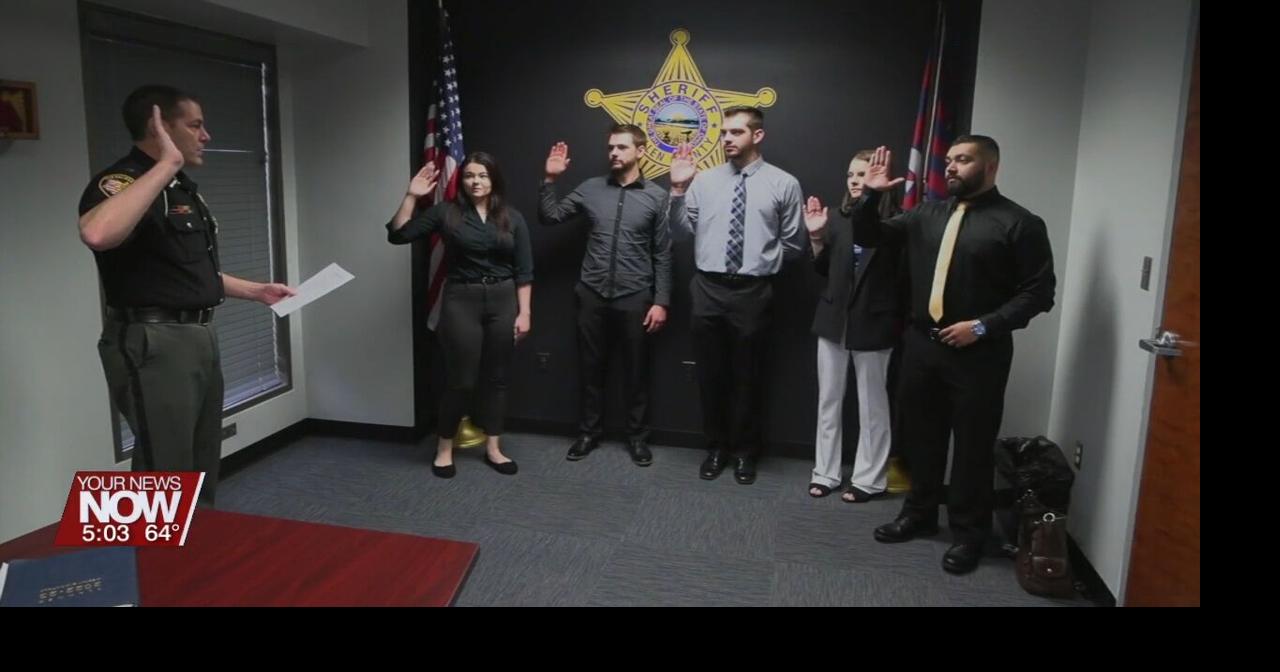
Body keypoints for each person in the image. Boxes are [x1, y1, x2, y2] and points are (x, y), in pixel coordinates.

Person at [78, 84, 295, 505]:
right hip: (153, 341)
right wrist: (166, 163)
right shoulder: (122, 181)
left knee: (199, 462)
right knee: (165, 468)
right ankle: (152, 564)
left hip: (197, 337)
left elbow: (186, 272)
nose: (206, 135)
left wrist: (255, 291)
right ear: (159, 126)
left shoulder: (180, 190)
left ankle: (194, 557)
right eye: (195, 125)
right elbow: (97, 232)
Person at [853, 137, 1056, 574]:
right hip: (922, 346)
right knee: (921, 436)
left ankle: (968, 534)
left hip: (978, 352)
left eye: (963, 161)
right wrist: (871, 195)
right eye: (949, 161)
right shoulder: (926, 213)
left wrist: (983, 326)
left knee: (972, 447)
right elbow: (869, 236)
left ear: (991, 167)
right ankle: (919, 514)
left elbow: (1040, 293)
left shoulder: (1019, 223)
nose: (951, 168)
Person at [667, 106, 807, 484]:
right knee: (710, 376)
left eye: (736, 132)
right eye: (724, 132)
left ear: (757, 136)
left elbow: (794, 244)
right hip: (707, 288)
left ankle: (746, 453)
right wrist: (678, 189)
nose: (727, 139)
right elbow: (680, 235)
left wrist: (759, 261)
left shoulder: (784, 184)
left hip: (753, 291)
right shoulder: (704, 180)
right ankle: (716, 448)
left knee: (749, 376)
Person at [386, 152, 533, 478]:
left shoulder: (512, 217)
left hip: (503, 300)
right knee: (461, 380)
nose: (475, 181)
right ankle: (444, 449)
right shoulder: (446, 212)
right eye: (469, 176)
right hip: (461, 299)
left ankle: (493, 448)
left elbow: (525, 271)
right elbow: (398, 235)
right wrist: (411, 195)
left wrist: (525, 313)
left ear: (493, 179)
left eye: (482, 175)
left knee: (496, 379)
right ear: (461, 181)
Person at [538, 124, 673, 466]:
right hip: (592, 294)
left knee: (637, 372)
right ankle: (588, 433)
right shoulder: (590, 188)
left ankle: (638, 439)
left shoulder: (657, 197)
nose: (613, 153)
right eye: (611, 147)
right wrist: (550, 180)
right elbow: (550, 217)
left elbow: (663, 253)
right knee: (590, 368)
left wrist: (661, 301)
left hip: (635, 296)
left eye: (622, 147)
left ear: (640, 151)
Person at [803, 149, 904, 502]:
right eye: (851, 175)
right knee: (828, 401)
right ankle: (825, 473)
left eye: (863, 174)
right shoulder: (835, 217)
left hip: (875, 324)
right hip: (833, 320)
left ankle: (868, 479)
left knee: (872, 405)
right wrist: (816, 238)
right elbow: (824, 270)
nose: (855, 180)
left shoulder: (899, 223)